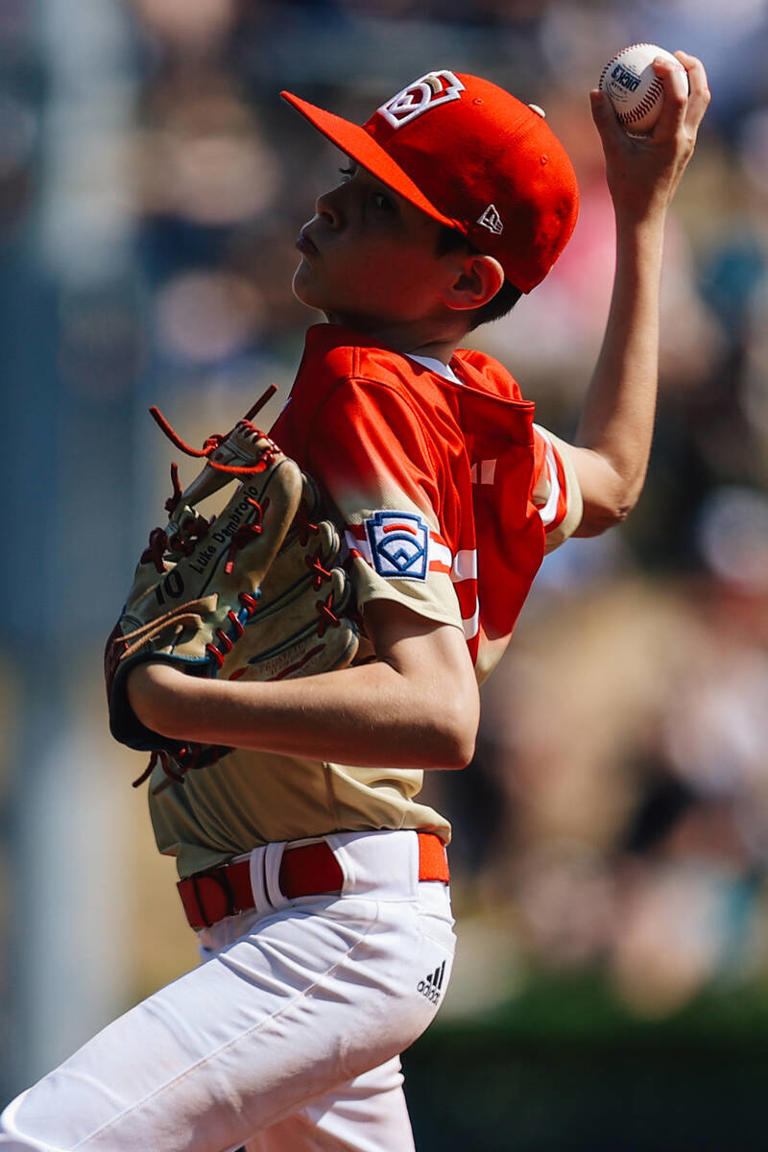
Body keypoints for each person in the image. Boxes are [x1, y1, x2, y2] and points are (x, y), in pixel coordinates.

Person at [1, 54, 709, 1152]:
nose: (326, 203)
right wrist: (646, 210)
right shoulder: (472, 407)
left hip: (329, 931)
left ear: (468, 285)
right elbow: (614, 476)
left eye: (378, 199)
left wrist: (177, 704)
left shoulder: (365, 390)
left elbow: (439, 713)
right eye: (346, 170)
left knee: (47, 1140)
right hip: (324, 924)